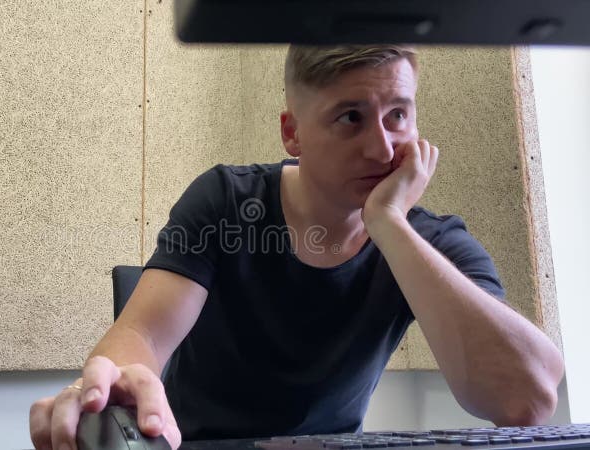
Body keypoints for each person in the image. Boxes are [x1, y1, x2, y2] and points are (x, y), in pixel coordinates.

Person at [29, 45, 565, 450]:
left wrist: (389, 225)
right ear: (293, 134)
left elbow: (527, 400)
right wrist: (117, 387)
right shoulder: (225, 201)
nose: (382, 147)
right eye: (350, 117)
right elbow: (142, 333)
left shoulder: (431, 241)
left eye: (397, 115)